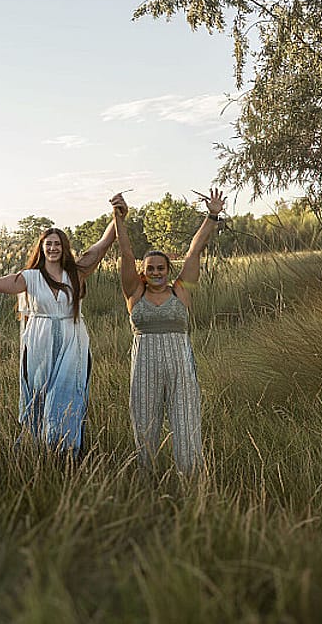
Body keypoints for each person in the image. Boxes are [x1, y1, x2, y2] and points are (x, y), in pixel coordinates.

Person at [113, 188, 225, 475]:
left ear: (168, 269)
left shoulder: (180, 291)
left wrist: (212, 215)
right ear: (143, 271)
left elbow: (194, 249)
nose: (156, 272)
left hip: (180, 365)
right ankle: (148, 481)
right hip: (145, 367)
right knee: (145, 426)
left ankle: (190, 481)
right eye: (150, 268)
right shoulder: (134, 294)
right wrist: (118, 217)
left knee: (186, 423)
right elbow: (125, 252)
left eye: (161, 268)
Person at [0, 216, 117, 456]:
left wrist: (117, 216)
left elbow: (102, 245)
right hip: (39, 343)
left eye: (57, 244)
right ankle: (39, 448)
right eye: (48, 243)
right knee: (39, 393)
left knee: (67, 392)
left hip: (73, 342)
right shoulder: (30, 277)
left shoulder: (76, 273)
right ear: (41, 247)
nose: (52, 248)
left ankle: (66, 450)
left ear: (64, 248)